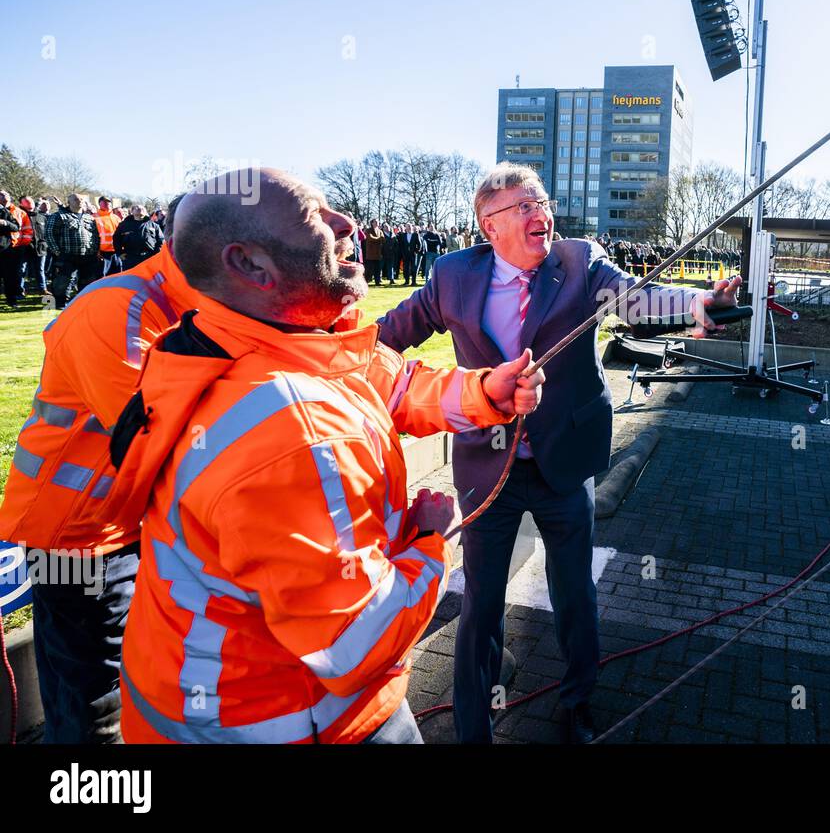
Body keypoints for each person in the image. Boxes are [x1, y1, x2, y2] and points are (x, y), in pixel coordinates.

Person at [113, 169, 544, 744]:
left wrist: (484, 391)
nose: (350, 224)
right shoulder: (294, 430)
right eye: (317, 216)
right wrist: (432, 545)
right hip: (292, 723)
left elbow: (393, 385)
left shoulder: (268, 339)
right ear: (250, 265)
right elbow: (356, 643)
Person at [378, 162, 740, 744]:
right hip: (486, 468)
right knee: (479, 606)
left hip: (565, 465)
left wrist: (701, 305)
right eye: (521, 206)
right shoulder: (451, 276)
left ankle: (577, 701)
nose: (537, 213)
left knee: (575, 591)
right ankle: (474, 725)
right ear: (488, 226)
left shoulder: (578, 262)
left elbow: (637, 301)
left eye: (539, 201)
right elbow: (388, 338)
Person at [0, 193, 200, 742]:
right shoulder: (120, 307)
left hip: (129, 522)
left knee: (132, 682)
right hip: (80, 536)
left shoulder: (201, 303)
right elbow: (160, 440)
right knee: (96, 700)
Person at [46, 194, 102, 308]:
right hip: (67, 255)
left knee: (88, 281)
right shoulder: (58, 216)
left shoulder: (90, 218)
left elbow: (95, 236)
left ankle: (85, 302)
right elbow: (49, 235)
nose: (79, 201)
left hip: (88, 255)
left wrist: (96, 250)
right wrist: (57, 252)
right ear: (69, 201)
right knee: (63, 281)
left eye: (81, 199)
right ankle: (61, 303)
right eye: (76, 199)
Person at [112, 204, 164, 271]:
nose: (139, 208)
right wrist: (120, 253)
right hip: (130, 259)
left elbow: (161, 241)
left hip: (149, 258)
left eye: (142, 208)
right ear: (132, 212)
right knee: (131, 280)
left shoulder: (154, 225)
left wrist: (156, 255)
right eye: (136, 207)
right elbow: (116, 239)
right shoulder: (124, 225)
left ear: (145, 212)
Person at [0, 189, 27, 306]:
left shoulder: (6, 212)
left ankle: (11, 300)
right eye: (0, 195)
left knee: (10, 276)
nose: (3, 197)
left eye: (4, 194)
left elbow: (16, 227)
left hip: (6, 249)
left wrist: (5, 223)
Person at [93, 196, 121, 276]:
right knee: (102, 277)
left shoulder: (116, 218)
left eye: (108, 202)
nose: (107, 204)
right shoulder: (94, 217)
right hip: (102, 253)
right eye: (104, 202)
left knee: (117, 276)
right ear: (99, 204)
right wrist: (96, 251)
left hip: (116, 252)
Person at [363, 219, 384, 285]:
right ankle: (366, 281)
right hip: (370, 253)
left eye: (378, 222)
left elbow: (383, 239)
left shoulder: (380, 231)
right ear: (372, 223)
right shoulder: (368, 230)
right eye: (376, 222)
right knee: (369, 269)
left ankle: (377, 282)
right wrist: (378, 238)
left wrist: (377, 238)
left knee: (377, 269)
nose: (377, 223)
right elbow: (370, 238)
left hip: (378, 253)